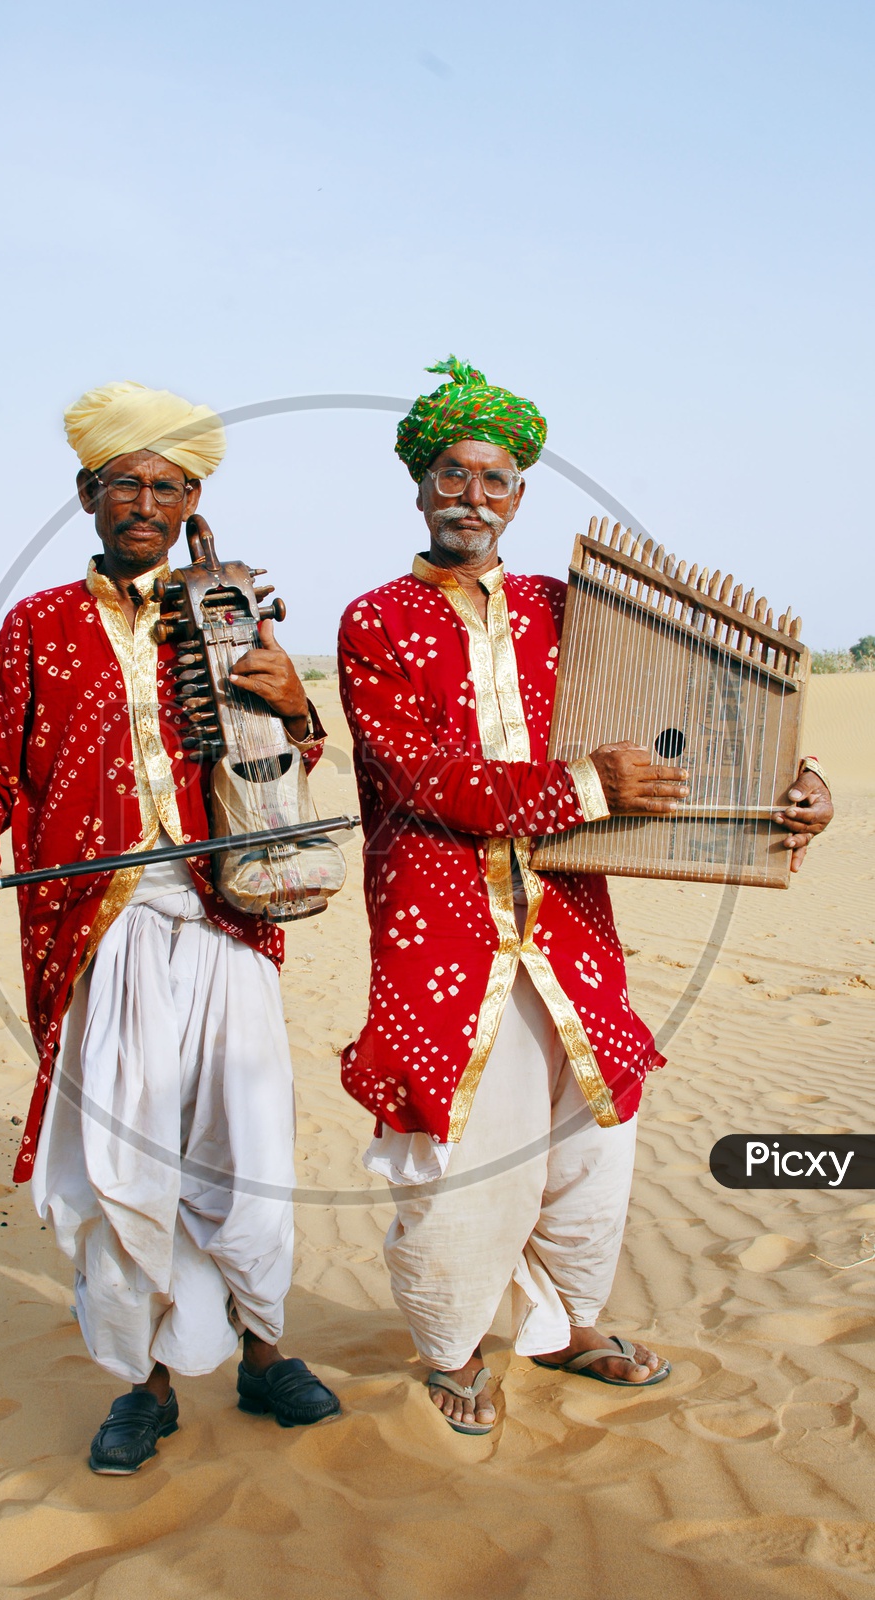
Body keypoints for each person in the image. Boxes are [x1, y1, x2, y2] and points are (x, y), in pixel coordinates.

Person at [337, 357, 834, 1434]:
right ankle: (457, 1346)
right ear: (420, 484)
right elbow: (417, 773)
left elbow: (688, 720)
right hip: (442, 917)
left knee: (591, 1133)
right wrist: (581, 784)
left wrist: (787, 793)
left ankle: (565, 1326)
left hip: (567, 915)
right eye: (454, 474)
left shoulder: (567, 609)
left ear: (521, 496)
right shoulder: (373, 619)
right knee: (461, 1142)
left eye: (498, 479)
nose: (474, 495)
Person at [0, 380, 340, 1474]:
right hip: (96, 926)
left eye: (169, 487)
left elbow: (283, 762)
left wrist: (298, 710)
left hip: (227, 911)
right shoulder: (38, 628)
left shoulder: (227, 609)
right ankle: (143, 1384)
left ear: (192, 497)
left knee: (244, 1149)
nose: (147, 504)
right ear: (88, 494)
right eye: (128, 484)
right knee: (124, 1160)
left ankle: (264, 1353)